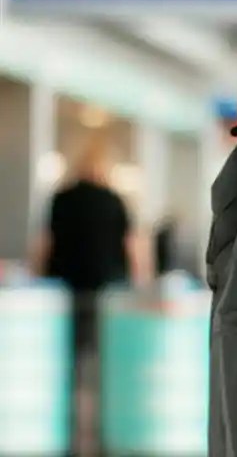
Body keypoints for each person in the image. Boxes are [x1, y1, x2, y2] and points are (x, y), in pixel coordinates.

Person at [28, 138, 149, 454]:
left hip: (66, 292)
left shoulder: (60, 198)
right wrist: (142, 286)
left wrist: (37, 282)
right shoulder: (115, 201)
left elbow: (45, 245)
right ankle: (100, 432)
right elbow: (133, 248)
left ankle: (67, 432)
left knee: (66, 362)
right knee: (104, 362)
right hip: (107, 294)